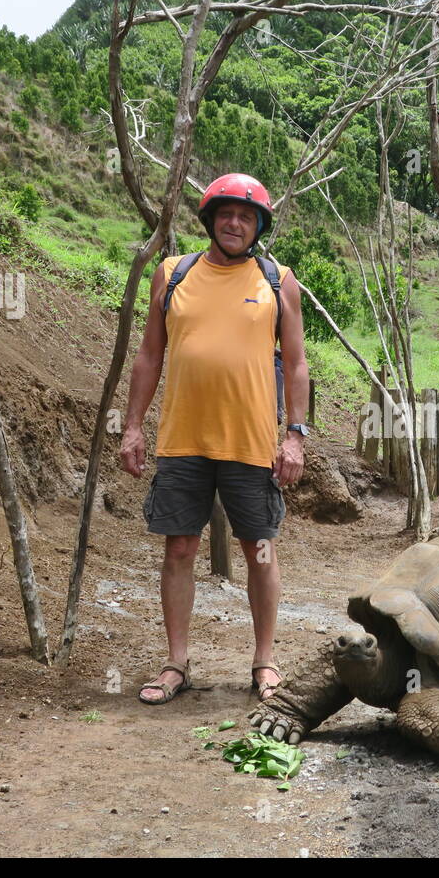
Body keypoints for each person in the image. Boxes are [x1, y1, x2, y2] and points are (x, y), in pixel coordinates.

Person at [118, 173, 308, 705]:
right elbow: (149, 356)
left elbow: (295, 364)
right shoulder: (173, 274)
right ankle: (176, 663)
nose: (234, 223)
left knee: (261, 550)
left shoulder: (277, 281)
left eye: (246, 217)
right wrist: (132, 426)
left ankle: (264, 663)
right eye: (226, 214)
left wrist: (294, 436)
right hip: (182, 440)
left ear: (258, 226)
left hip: (251, 442)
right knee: (179, 547)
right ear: (209, 219)